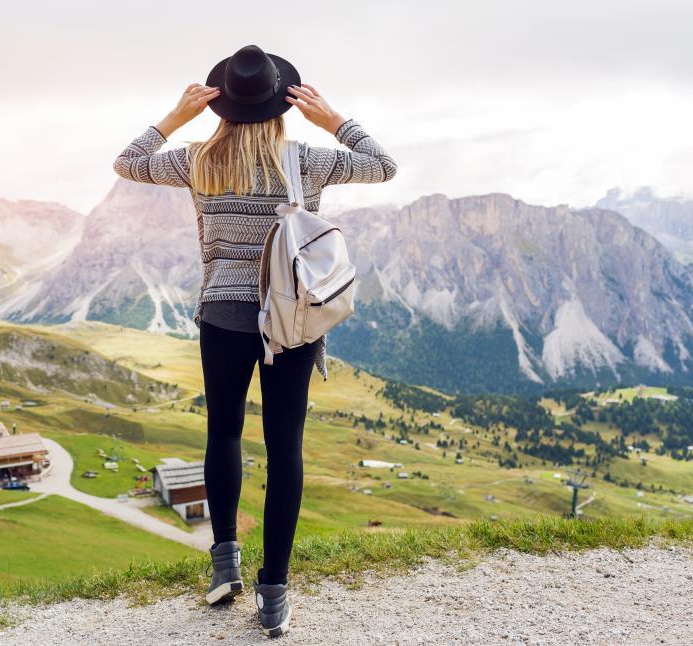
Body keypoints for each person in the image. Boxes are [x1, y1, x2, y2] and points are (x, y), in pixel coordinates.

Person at [112, 44, 397, 638]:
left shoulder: (198, 161)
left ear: (223, 105)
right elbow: (383, 164)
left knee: (223, 435)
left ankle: (224, 568)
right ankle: (274, 594)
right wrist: (334, 119)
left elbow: (128, 160)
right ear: (281, 104)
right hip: (290, 321)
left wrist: (176, 116)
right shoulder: (307, 160)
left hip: (221, 316)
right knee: (284, 445)